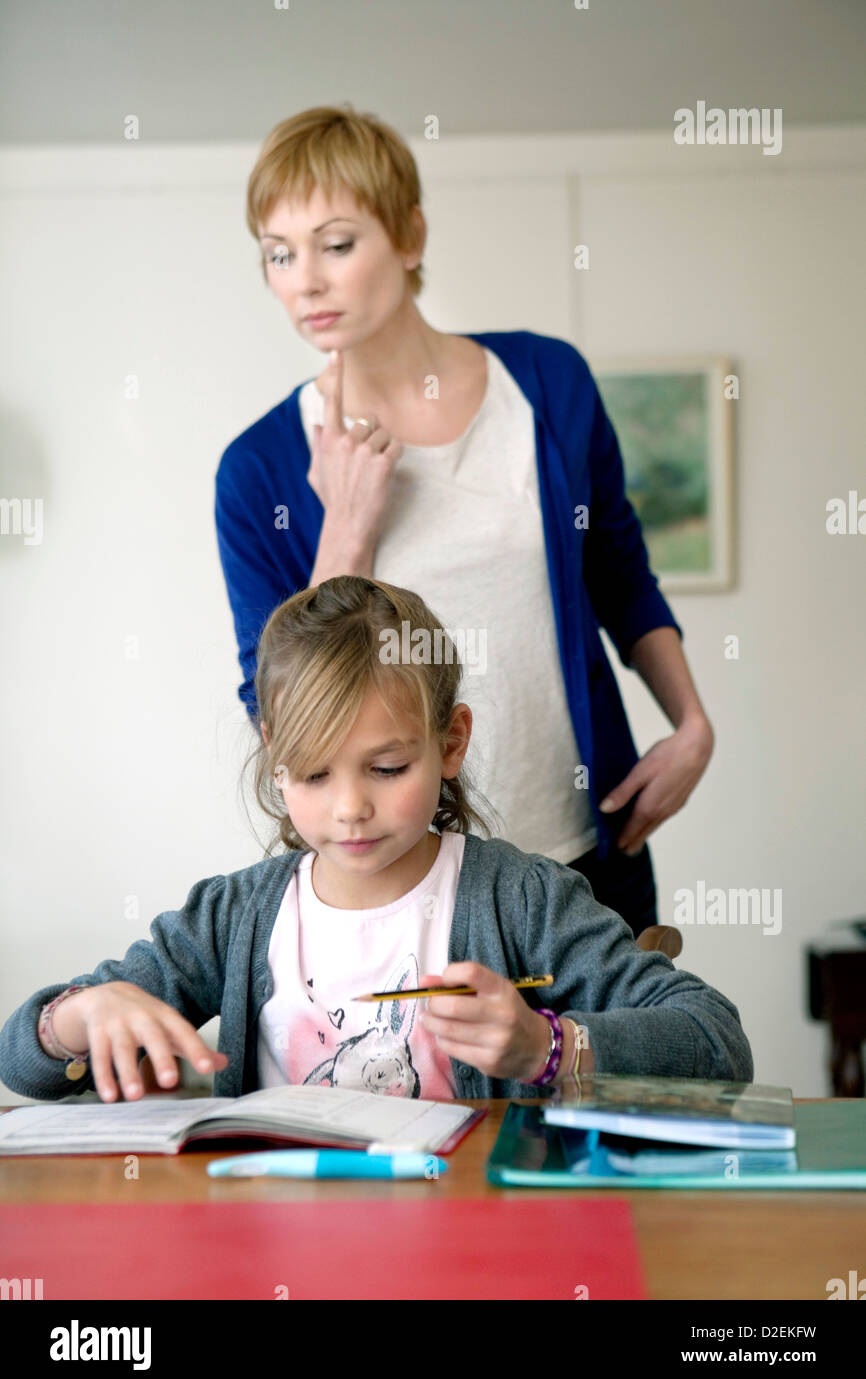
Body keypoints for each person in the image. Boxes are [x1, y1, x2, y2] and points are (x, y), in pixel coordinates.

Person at [215, 105, 715, 940]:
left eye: (336, 244)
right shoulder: (258, 468)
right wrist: (346, 527)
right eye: (278, 253)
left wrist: (692, 727)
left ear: (410, 236)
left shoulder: (546, 382)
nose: (305, 280)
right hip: (398, 883)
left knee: (614, 1071)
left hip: (585, 855)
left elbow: (620, 573)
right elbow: (277, 704)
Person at [0, 577, 751, 1106]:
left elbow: (717, 1044)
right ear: (274, 755)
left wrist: (548, 1049)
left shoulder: (522, 900)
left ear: (451, 742)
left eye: (387, 768)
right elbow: (23, 1066)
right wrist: (75, 1020)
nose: (351, 807)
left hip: (472, 1253)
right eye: (315, 772)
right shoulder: (232, 917)